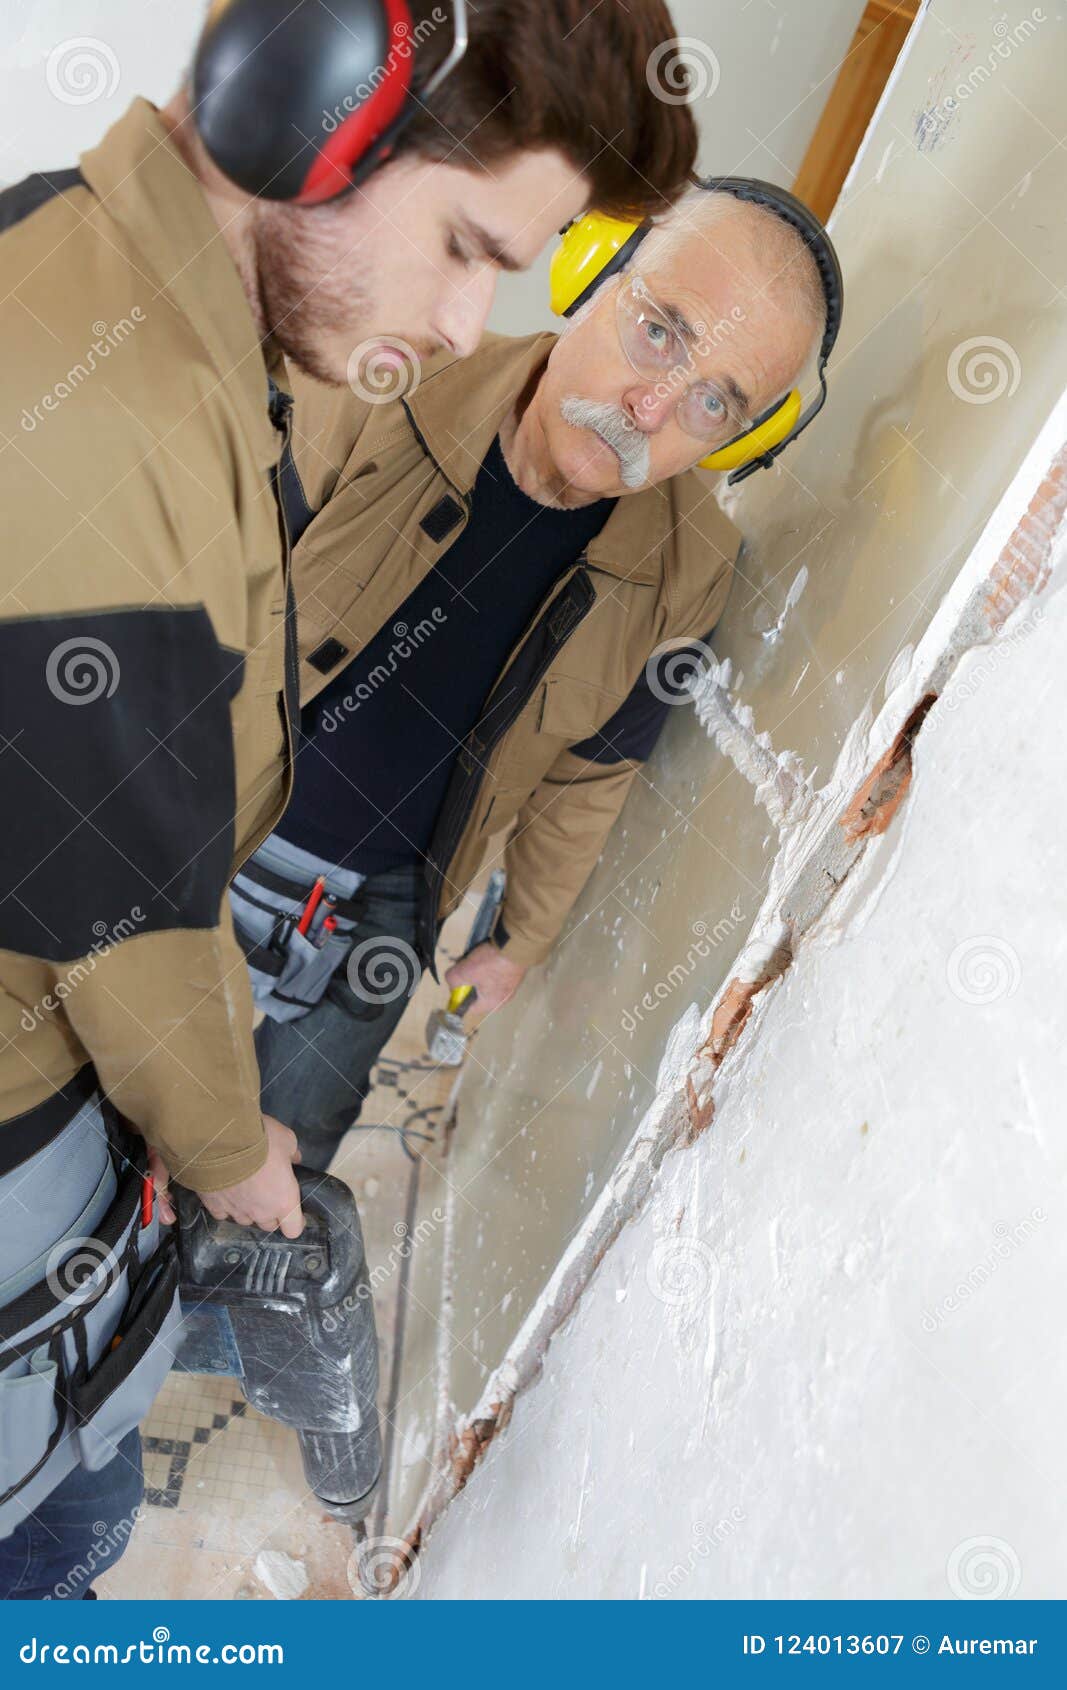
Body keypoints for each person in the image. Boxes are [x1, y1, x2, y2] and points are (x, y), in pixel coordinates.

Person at [0, 0, 697, 1597]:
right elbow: (122, 924)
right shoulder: (105, 425)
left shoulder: (138, 311)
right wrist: (230, 1144)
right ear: (304, 105)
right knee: (66, 1517)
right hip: (22, 1096)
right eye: (461, 244)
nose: (464, 321)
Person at [226, 178, 842, 1173]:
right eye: (658, 332)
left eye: (714, 400)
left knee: (266, 1196)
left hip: (377, 922)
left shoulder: (687, 571)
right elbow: (180, 618)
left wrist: (518, 938)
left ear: (743, 438)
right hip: (201, 823)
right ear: (588, 271)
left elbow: (590, 772)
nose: (651, 408)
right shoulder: (377, 382)